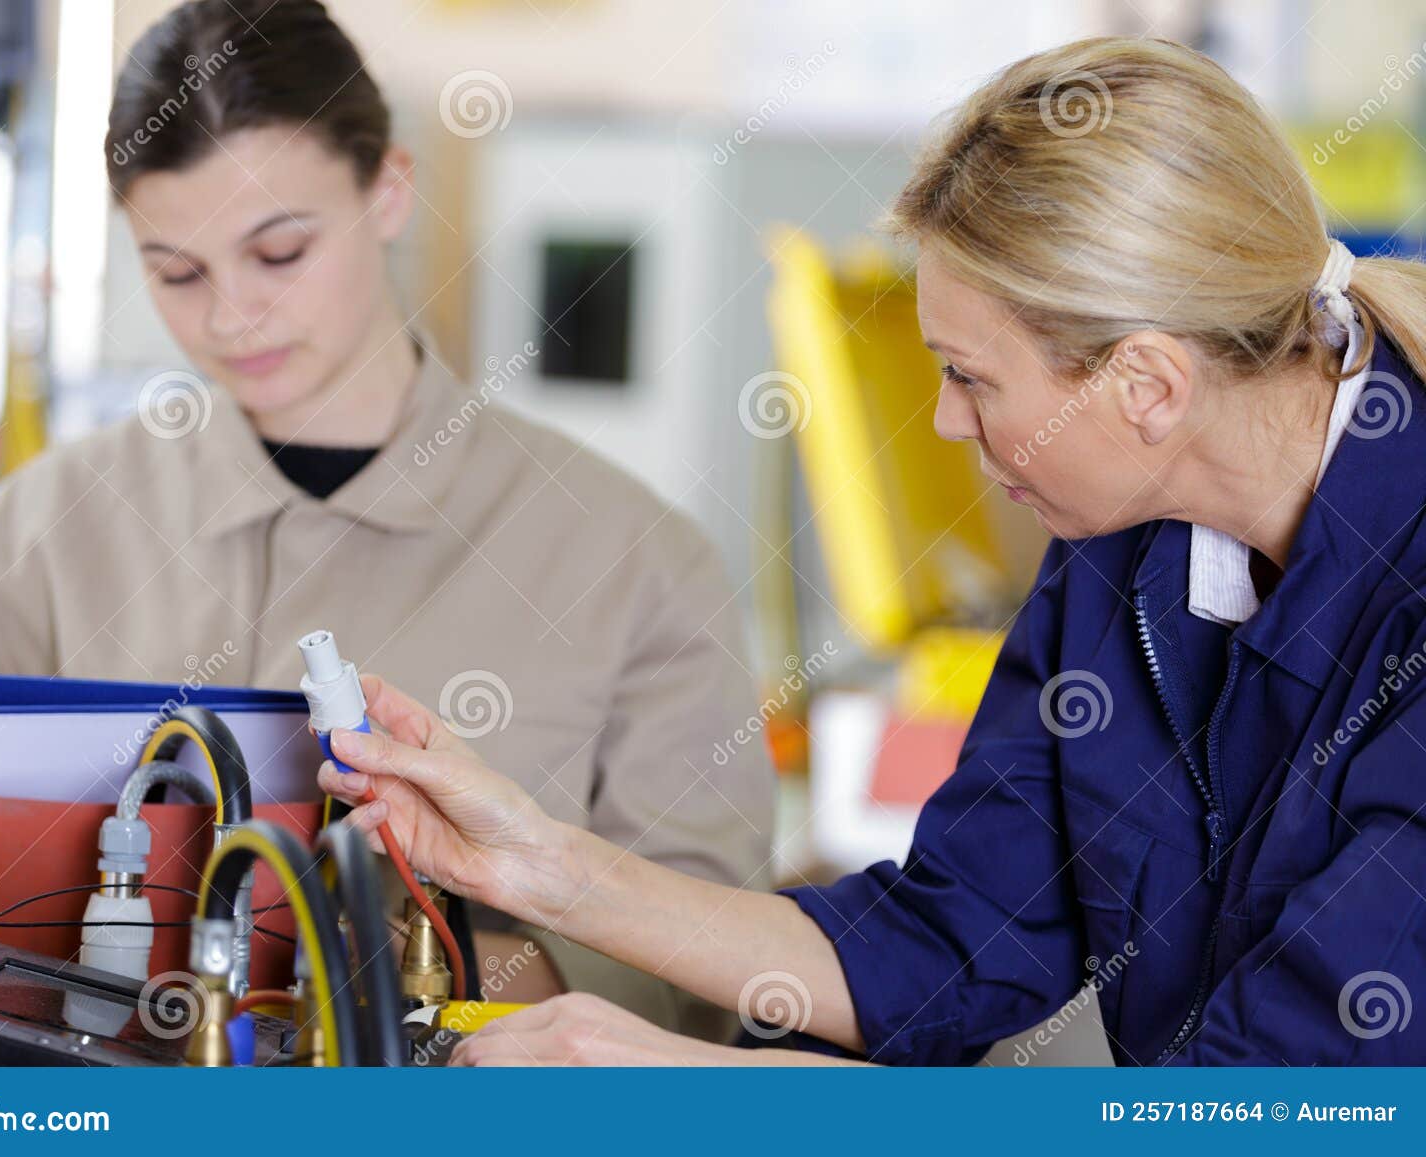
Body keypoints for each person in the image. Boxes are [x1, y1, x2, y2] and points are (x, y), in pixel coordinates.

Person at [311, 37, 1426, 1066]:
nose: (944, 418)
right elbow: (943, 944)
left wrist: (692, 1081)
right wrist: (546, 867)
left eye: (969, 374)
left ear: (1145, 384)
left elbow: (1276, 1103)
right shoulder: (1119, 544)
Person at [0, 0, 773, 1037]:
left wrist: (399, 972)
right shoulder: (39, 532)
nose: (231, 314)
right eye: (176, 271)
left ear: (388, 190)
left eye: (278, 253)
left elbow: (713, 962)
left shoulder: (634, 559)